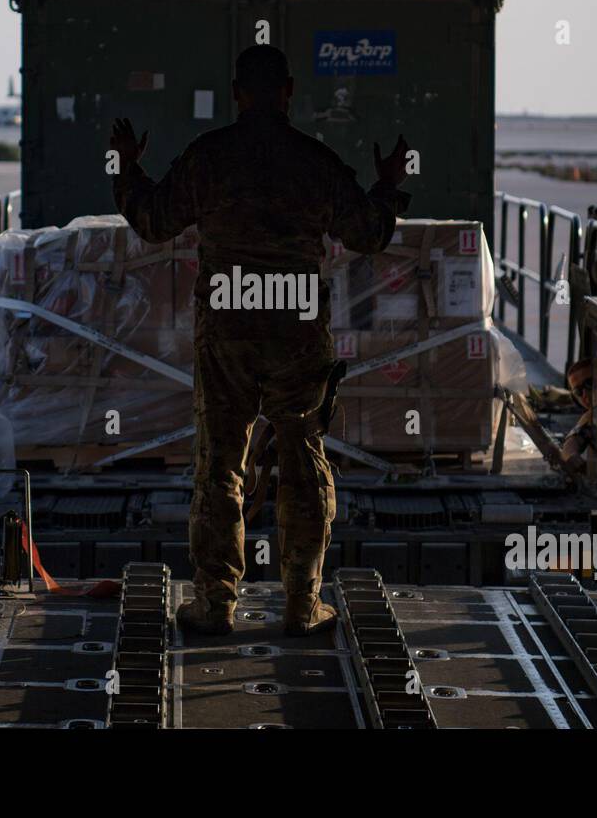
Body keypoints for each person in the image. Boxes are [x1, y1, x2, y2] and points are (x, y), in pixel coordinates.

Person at [110, 44, 411, 636]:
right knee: (302, 457)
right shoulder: (314, 162)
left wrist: (124, 165)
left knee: (220, 464)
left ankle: (216, 603)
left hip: (228, 322)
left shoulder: (208, 159)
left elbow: (152, 220)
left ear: (237, 93)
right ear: (290, 91)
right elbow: (370, 234)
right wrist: (388, 183)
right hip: (295, 326)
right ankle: (303, 605)